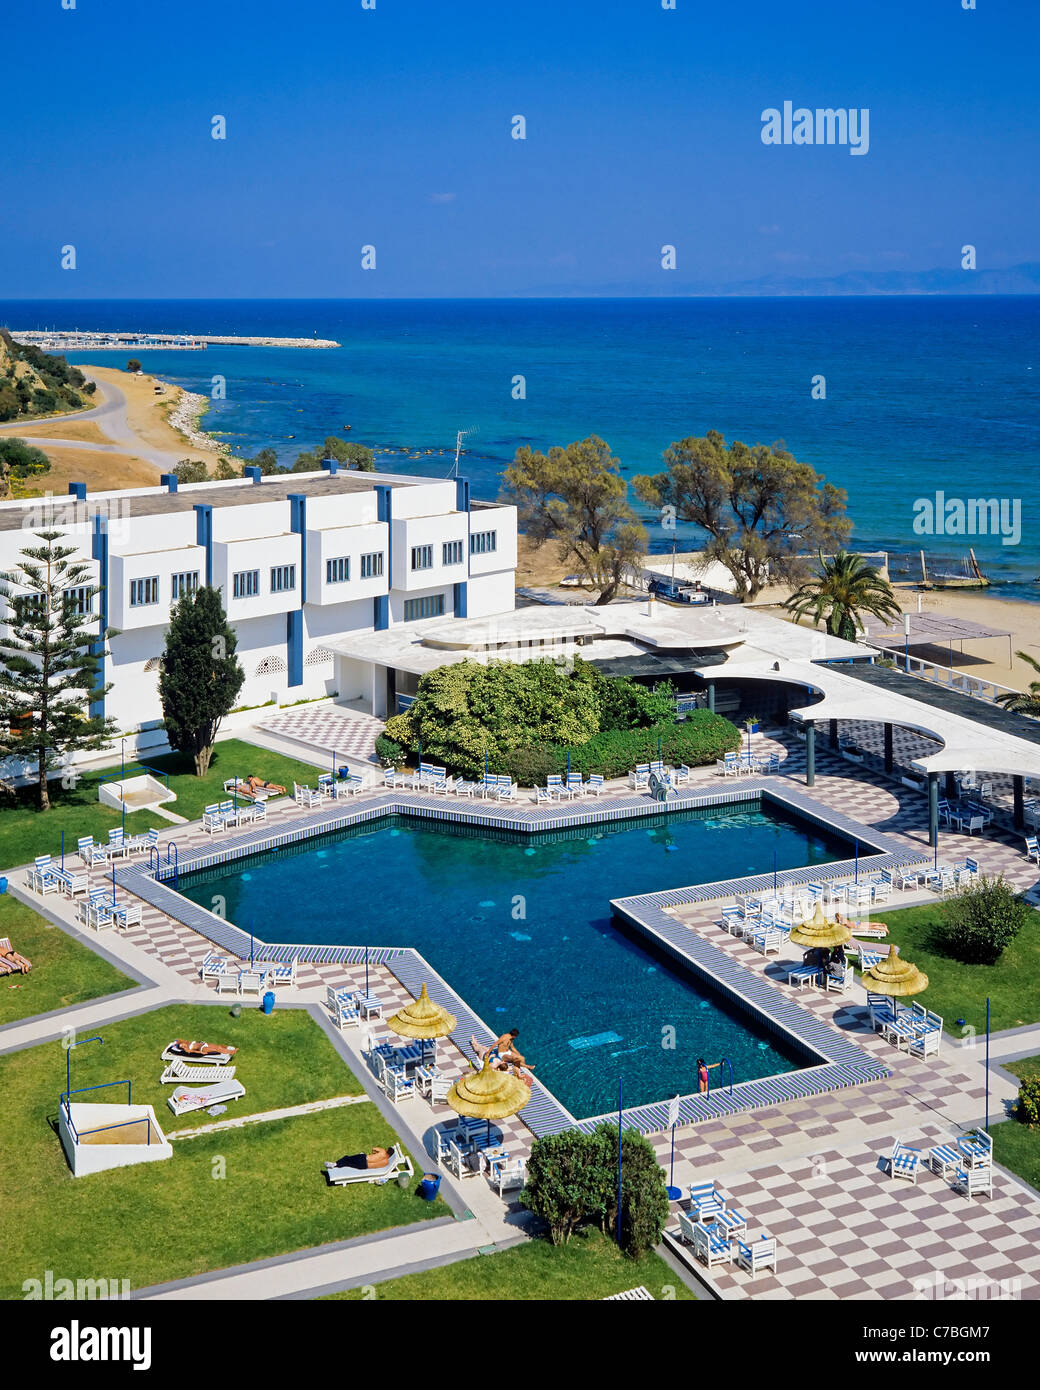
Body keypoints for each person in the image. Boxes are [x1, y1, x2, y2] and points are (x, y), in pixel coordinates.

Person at [327, 1145, 392, 1171]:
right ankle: (335, 1166)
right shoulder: (386, 1162)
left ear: (387, 1150)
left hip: (363, 1158)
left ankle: (334, 1164)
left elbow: (374, 1148)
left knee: (346, 1158)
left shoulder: (383, 1151)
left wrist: (374, 1154)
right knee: (347, 1163)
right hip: (364, 1166)